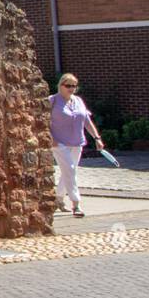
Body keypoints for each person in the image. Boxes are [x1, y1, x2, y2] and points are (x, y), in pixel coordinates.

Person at [49, 73, 104, 218]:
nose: (71, 89)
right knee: (71, 170)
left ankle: (59, 199)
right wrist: (50, 137)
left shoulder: (78, 101)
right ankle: (76, 204)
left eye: (74, 86)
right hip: (59, 143)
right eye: (68, 85)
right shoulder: (52, 100)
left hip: (77, 142)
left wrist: (97, 138)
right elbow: (41, 120)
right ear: (60, 85)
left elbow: (87, 121)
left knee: (69, 171)